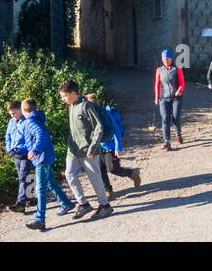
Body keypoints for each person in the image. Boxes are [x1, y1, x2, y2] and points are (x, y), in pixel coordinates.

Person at [59, 79, 113, 220]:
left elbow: (98, 127)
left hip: (89, 150)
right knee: (69, 174)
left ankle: (105, 206)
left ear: (72, 93)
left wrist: (93, 146)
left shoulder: (86, 106)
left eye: (64, 96)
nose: (63, 99)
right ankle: (83, 204)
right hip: (73, 150)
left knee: (95, 178)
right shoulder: (71, 107)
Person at [21, 98, 75, 232]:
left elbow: (42, 136)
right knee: (51, 183)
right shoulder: (36, 118)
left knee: (40, 189)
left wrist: (35, 150)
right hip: (44, 157)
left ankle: (40, 219)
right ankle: (66, 203)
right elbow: (35, 137)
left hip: (42, 158)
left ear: (23, 110)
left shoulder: (30, 121)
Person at [87, 92, 141, 195]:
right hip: (97, 148)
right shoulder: (88, 117)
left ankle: (132, 173)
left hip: (110, 146)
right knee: (100, 170)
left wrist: (117, 147)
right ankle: (108, 191)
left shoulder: (105, 114)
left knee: (112, 169)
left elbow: (116, 130)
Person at [154, 49, 186, 150]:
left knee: (176, 117)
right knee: (165, 119)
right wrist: (156, 97)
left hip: (176, 97)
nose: (165, 61)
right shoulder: (159, 70)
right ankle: (167, 141)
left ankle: (178, 133)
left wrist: (179, 90)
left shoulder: (177, 69)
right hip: (163, 98)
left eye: (167, 59)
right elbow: (157, 84)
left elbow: (182, 83)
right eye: (163, 59)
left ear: (171, 59)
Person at [4, 99, 33, 211]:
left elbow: (30, 140)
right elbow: (8, 137)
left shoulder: (27, 121)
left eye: (14, 113)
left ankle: (20, 203)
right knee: (25, 176)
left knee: (23, 177)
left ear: (20, 110)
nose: (12, 116)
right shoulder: (11, 122)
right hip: (15, 154)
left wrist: (20, 149)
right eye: (10, 114)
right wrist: (9, 149)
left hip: (25, 153)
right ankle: (30, 198)